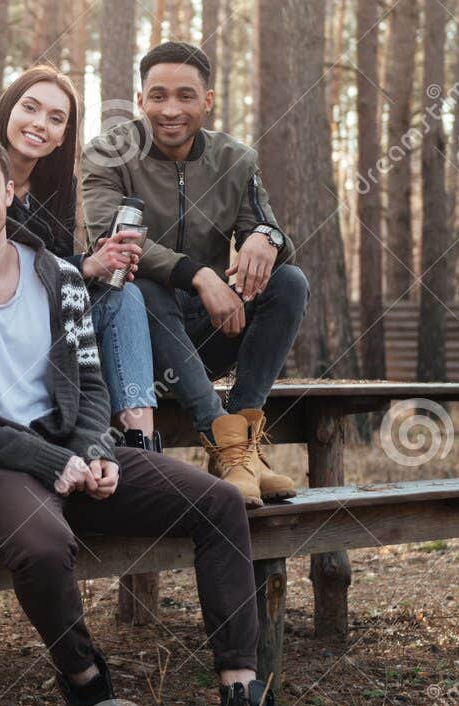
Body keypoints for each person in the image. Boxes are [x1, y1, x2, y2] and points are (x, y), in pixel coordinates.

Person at [0, 125, 302, 706]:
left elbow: (87, 380)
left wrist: (98, 450)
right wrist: (56, 463)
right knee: (44, 545)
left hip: (73, 457)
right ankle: (87, 683)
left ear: (7, 192)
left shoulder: (53, 274)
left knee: (221, 503)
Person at [81, 41, 309, 508]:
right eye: (158, 96)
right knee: (142, 285)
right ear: (140, 99)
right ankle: (223, 439)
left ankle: (243, 432)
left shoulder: (235, 159)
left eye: (185, 96)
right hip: (138, 343)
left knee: (290, 283)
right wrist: (200, 275)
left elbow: (269, 233)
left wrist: (266, 237)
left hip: (206, 338)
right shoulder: (108, 154)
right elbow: (116, 242)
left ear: (207, 100)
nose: (171, 110)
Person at [0, 66, 159, 446]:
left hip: (51, 321)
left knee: (124, 295)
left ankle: (141, 442)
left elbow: (58, 261)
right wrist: (85, 265)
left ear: (63, 136)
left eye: (55, 119)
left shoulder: (57, 186)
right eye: (29, 108)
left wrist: (95, 261)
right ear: (8, 110)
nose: (39, 124)